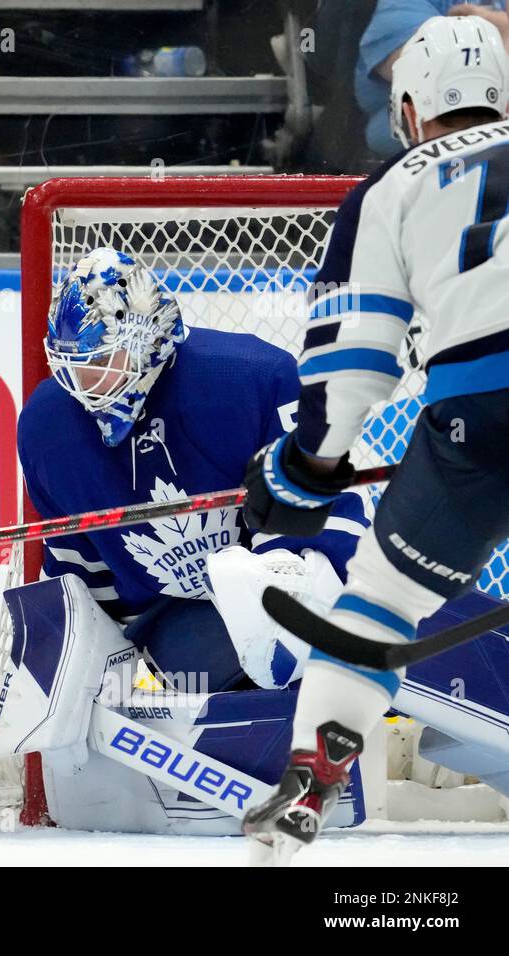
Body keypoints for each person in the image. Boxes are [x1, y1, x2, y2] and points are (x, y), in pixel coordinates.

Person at [0, 246, 509, 837]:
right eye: (73, 367)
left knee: (379, 613)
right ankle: (351, 737)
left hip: (303, 575)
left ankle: (438, 726)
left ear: (150, 342)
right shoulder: (47, 428)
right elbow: (80, 562)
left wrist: (289, 571)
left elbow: (333, 504)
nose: (87, 386)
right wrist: (95, 668)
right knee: (227, 668)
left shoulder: (247, 375)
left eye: (103, 362)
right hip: (182, 615)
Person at [243, 14, 509, 862]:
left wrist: (303, 471)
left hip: (473, 420)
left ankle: (308, 781)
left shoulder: (388, 189)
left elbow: (351, 361)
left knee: (380, 600)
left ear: (407, 109)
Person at [357, 1, 506, 157]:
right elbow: (451, 76)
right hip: (406, 165)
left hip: (494, 165)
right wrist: (504, 33)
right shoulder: (400, 6)